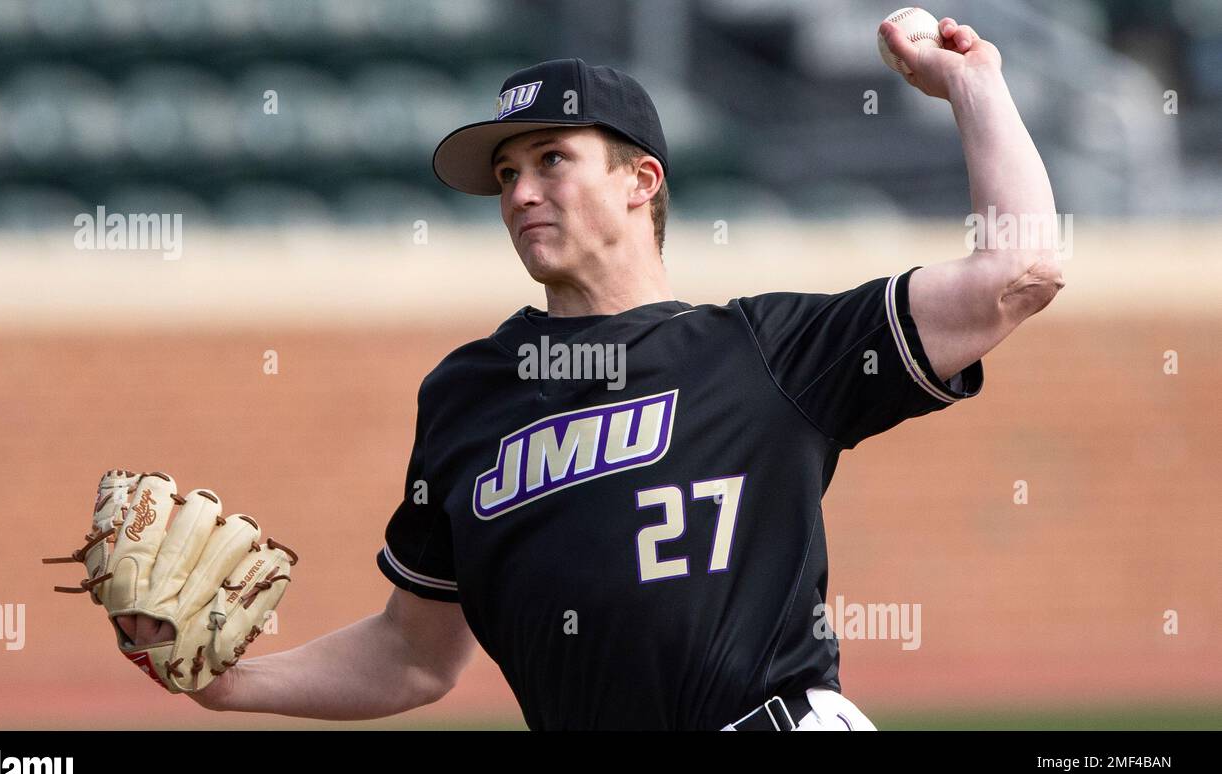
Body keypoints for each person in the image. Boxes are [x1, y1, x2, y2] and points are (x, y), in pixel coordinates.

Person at [136, 19, 1062, 729]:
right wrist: (229, 686)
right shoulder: (466, 397)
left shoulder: (765, 351)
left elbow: (1019, 274)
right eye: (505, 173)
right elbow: (414, 657)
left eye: (551, 159)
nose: (520, 190)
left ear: (641, 180)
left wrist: (974, 87)